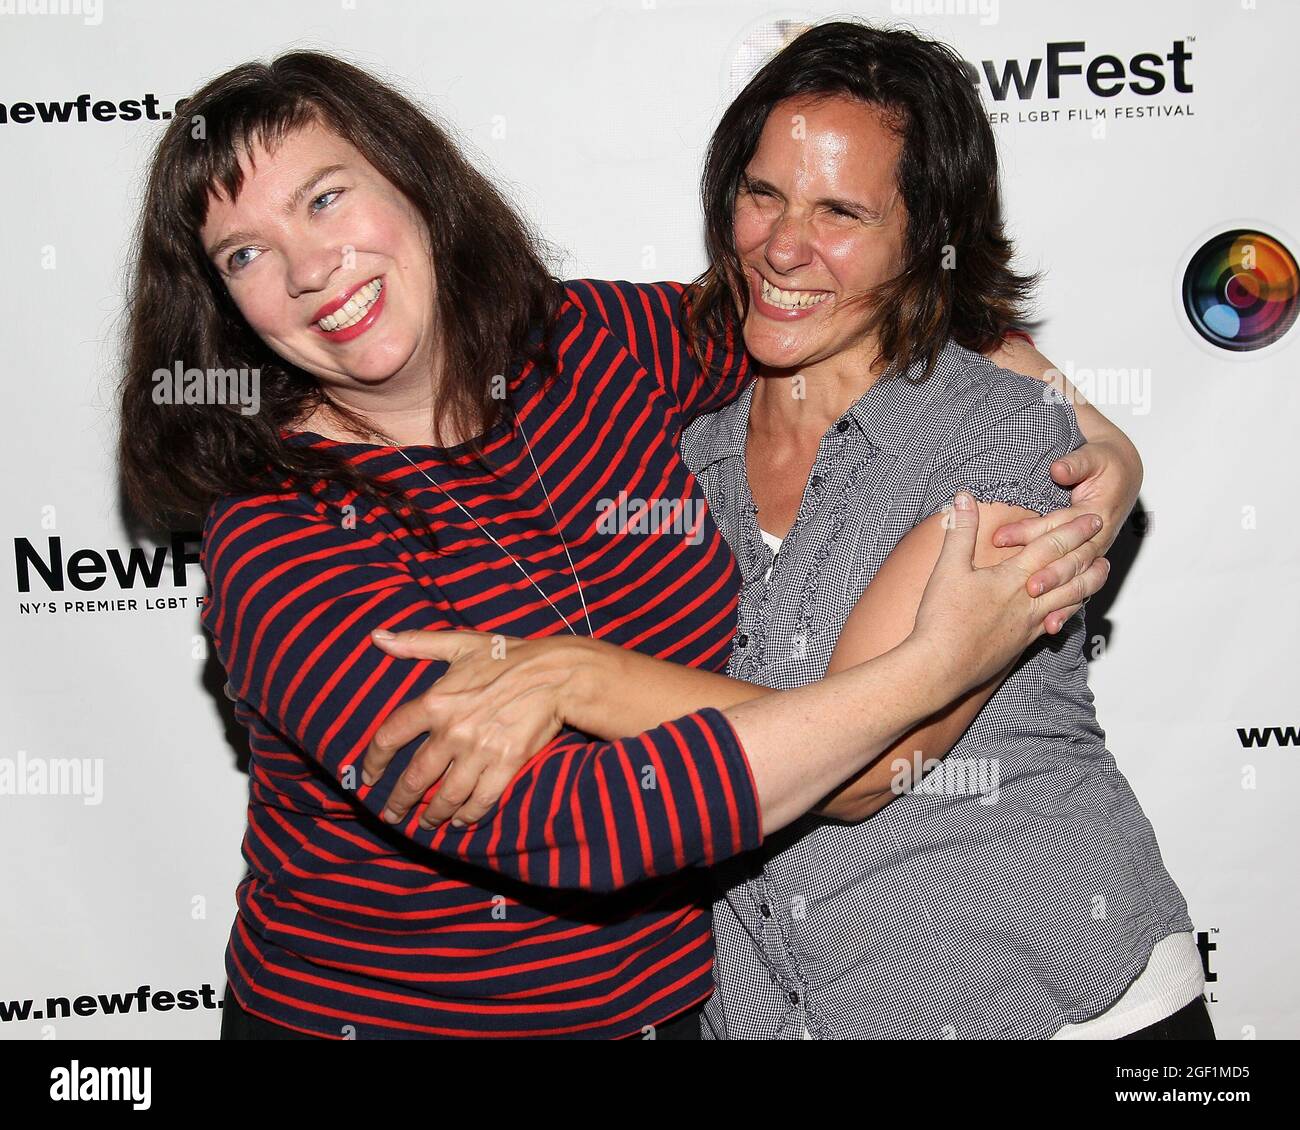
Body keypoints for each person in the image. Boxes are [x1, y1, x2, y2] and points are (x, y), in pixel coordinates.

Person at [119, 50, 1116, 1040]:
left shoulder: (597, 342)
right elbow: (579, 823)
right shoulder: (278, 539)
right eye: (242, 254)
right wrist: (936, 663)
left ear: (413, 183)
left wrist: (1085, 432)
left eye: (325, 199)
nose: (305, 269)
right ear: (222, 305)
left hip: (669, 1018)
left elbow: (846, 300)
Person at [363, 24, 1207, 1040]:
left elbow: (861, 769)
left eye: (842, 211)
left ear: (924, 233)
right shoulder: (670, 432)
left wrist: (571, 673)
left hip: (1060, 1005)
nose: (782, 243)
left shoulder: (1003, 435)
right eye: (762, 193)